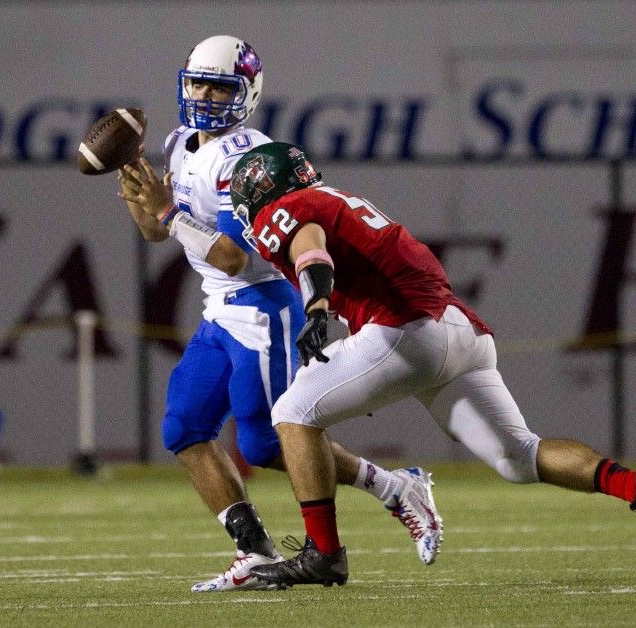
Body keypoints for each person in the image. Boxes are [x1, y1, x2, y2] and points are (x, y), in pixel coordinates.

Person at [220, 141, 636, 588]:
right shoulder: (335, 197)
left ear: (262, 190)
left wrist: (317, 305)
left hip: (404, 331)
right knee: (517, 456)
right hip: (460, 330)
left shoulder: (291, 209)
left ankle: (323, 553)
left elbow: (310, 246)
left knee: (292, 413)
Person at [114, 35, 443, 592]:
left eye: (218, 87)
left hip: (266, 306)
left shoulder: (248, 155)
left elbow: (234, 255)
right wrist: (137, 196)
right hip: (218, 308)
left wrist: (167, 211)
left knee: (265, 445)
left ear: (245, 94)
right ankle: (254, 551)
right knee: (184, 428)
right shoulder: (179, 143)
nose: (203, 96)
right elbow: (156, 232)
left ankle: (395, 488)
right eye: (196, 83)